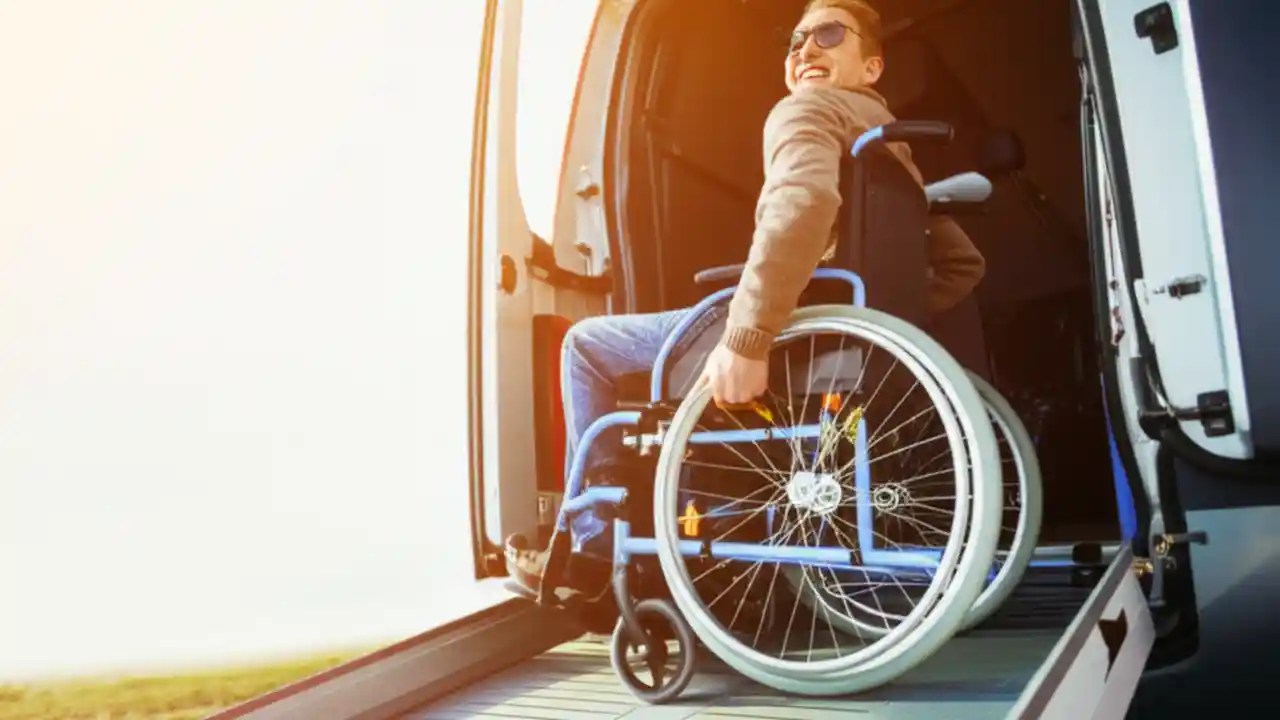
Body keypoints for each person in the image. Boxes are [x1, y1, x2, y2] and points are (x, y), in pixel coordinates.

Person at [508, 0, 986, 600]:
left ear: (871, 67)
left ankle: (594, 543)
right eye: (795, 41)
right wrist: (881, 322)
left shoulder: (807, 110)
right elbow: (964, 265)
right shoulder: (895, 154)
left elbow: (802, 206)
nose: (805, 50)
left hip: (789, 326)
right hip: (837, 332)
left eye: (829, 35)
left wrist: (750, 335)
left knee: (585, 345)